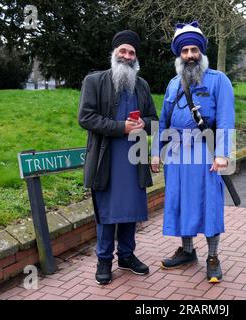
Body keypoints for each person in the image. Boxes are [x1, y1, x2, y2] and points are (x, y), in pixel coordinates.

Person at [151, 21, 235, 283]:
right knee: (179, 202)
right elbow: (163, 120)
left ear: (201, 52)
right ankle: (187, 251)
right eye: (184, 50)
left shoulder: (218, 80)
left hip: (204, 153)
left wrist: (222, 153)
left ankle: (212, 258)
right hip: (176, 154)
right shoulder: (173, 84)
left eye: (193, 50)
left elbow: (225, 118)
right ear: (179, 54)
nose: (189, 55)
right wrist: (155, 151)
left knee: (208, 203)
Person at [78, 30, 158, 285]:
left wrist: (140, 124)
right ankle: (104, 260)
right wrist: (120, 127)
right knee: (107, 212)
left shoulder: (142, 85)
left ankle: (126, 255)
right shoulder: (94, 81)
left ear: (136, 57)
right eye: (122, 51)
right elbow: (86, 117)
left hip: (134, 160)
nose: (127, 56)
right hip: (106, 159)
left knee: (130, 212)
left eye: (131, 52)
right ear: (114, 53)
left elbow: (154, 122)